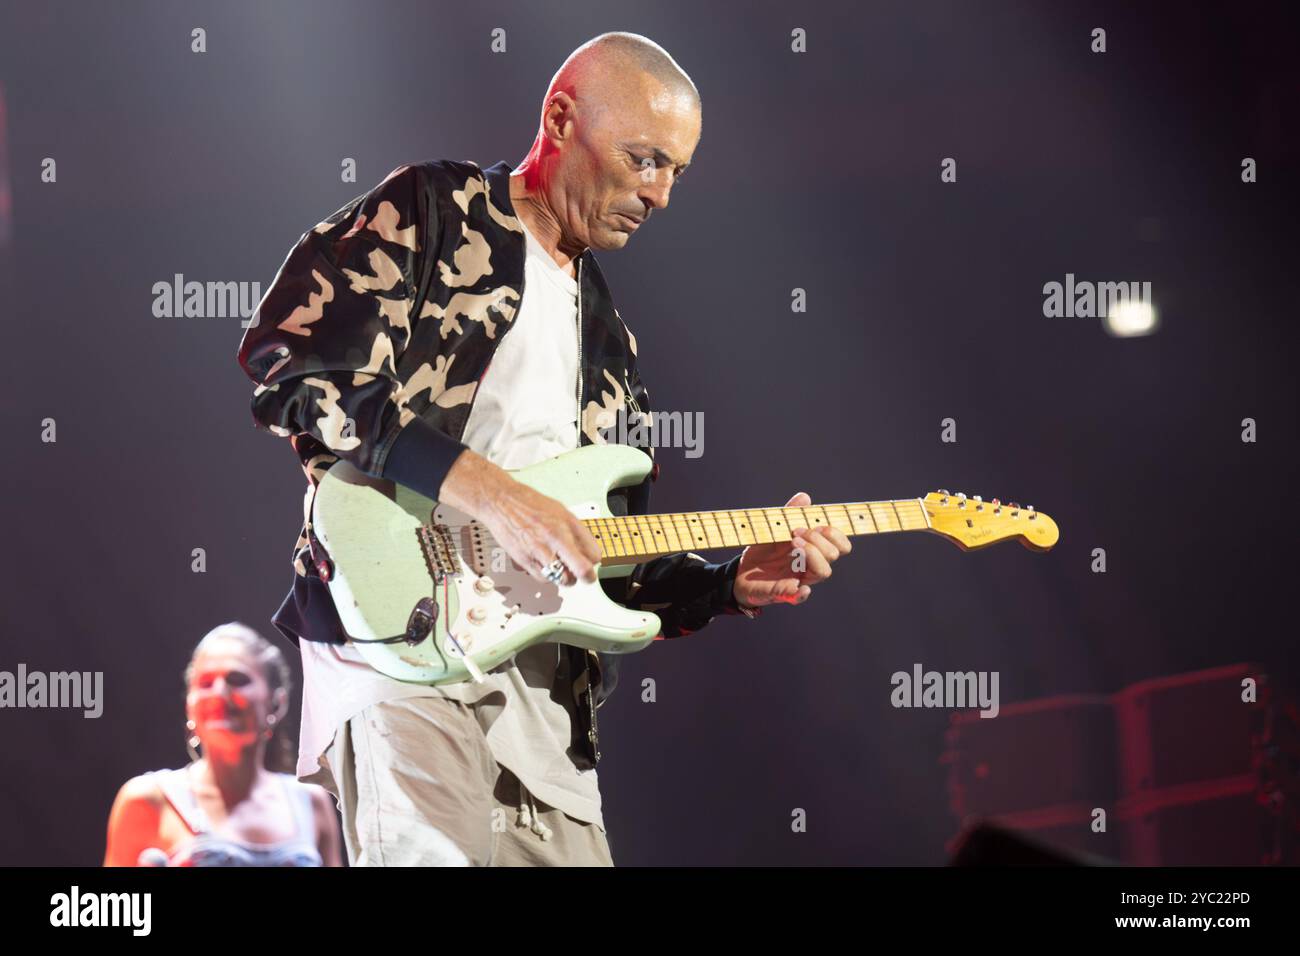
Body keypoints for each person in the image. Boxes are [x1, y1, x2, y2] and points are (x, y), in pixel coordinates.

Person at [235, 31, 849, 866]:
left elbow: (613, 571)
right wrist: (488, 489)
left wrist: (732, 582)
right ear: (561, 118)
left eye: (677, 170)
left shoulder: (613, 345)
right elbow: (292, 361)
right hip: (401, 650)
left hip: (547, 715)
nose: (661, 192)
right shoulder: (434, 208)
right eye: (644, 158)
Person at [103, 623, 342, 866]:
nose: (219, 693)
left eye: (237, 679)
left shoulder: (310, 802)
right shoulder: (148, 800)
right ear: (189, 705)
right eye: (205, 683)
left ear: (276, 703)